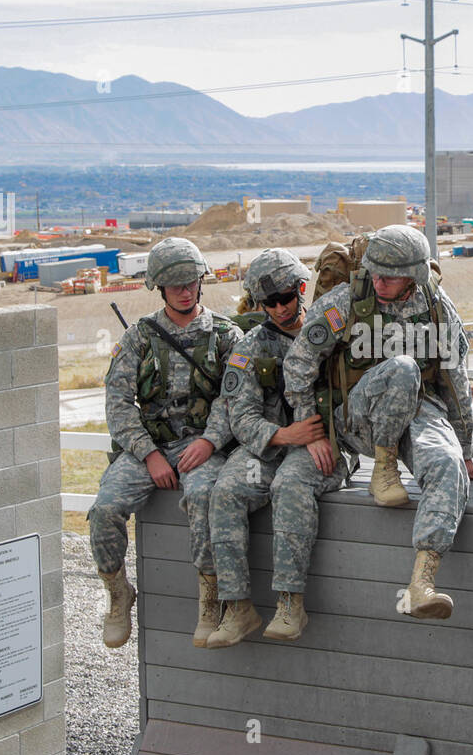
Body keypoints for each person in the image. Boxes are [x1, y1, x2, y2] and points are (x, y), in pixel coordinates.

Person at [283, 224, 473, 620]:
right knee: (401, 367)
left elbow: (455, 382)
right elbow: (298, 365)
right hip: (357, 415)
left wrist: (467, 452)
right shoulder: (345, 301)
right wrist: (310, 428)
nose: (379, 281)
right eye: (374, 272)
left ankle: (423, 580)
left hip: (416, 409)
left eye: (390, 275)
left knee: (447, 467)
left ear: (414, 274)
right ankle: (383, 468)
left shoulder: (437, 308)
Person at [87, 237, 243, 648]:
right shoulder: (141, 337)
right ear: (159, 287)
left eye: (191, 281)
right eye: (176, 285)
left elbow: (236, 399)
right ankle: (118, 594)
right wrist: (150, 455)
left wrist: (210, 442)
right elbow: (118, 405)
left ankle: (210, 602)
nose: (185, 290)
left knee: (203, 499)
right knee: (104, 509)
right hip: (149, 447)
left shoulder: (226, 335)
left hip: (201, 445)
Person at [206, 249, 349, 646]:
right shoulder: (251, 348)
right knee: (226, 491)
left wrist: (317, 437)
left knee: (290, 484)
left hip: (324, 443)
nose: (281, 307)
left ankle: (290, 603)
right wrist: (286, 435)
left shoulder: (332, 331)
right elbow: (242, 417)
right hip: (272, 445)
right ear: (258, 303)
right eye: (270, 302)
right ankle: (237, 608)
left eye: (286, 296)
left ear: (301, 289)